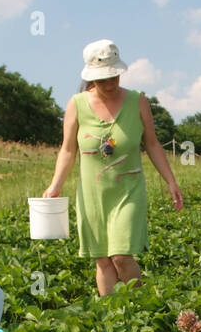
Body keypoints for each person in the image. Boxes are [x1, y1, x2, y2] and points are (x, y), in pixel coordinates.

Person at [42, 38, 184, 296]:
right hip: (92, 194)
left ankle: (141, 307)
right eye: (103, 79)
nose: (110, 84)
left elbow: (152, 144)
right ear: (91, 78)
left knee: (120, 256)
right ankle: (112, 318)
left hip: (128, 188)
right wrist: (55, 185)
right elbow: (68, 149)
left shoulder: (137, 101)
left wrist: (171, 181)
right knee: (103, 260)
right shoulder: (77, 104)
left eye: (114, 77)